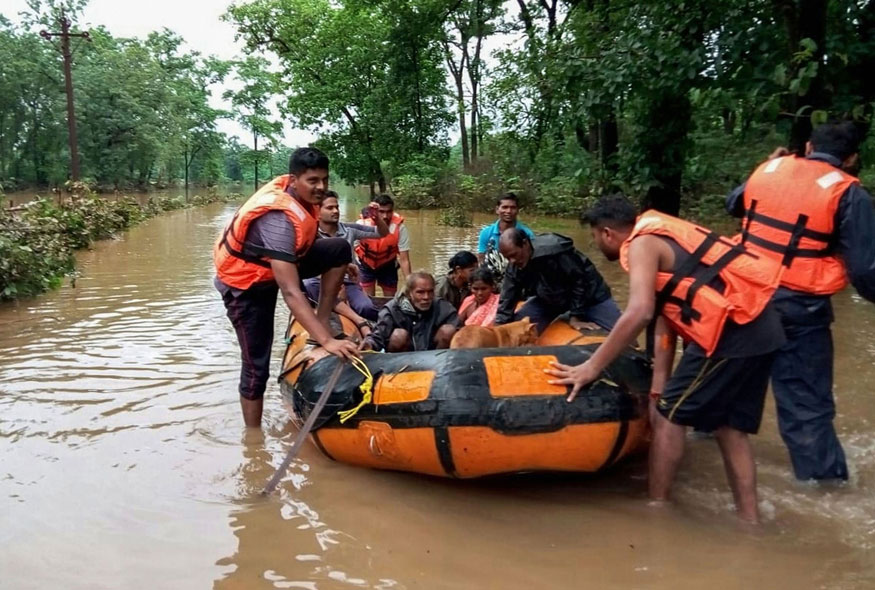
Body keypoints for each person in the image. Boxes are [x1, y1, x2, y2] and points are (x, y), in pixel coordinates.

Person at [546, 195, 785, 523]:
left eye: (595, 238)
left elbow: (640, 311)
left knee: (672, 419)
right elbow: (665, 320)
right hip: (762, 327)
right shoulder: (664, 233)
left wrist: (591, 366)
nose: (598, 245)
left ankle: (657, 509)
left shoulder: (642, 242)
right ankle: (750, 521)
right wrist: (659, 387)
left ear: (606, 233)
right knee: (729, 428)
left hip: (731, 335)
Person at [726, 121, 875, 481]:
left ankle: (704, 448)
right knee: (805, 404)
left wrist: (766, 167)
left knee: (728, 383)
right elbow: (865, 270)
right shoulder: (850, 194)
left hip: (740, 293)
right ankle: (824, 487)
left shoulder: (769, 169)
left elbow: (734, 204)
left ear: (808, 147)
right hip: (798, 308)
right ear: (852, 158)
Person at [214, 147, 360, 428]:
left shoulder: (303, 200)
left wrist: (338, 261)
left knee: (340, 248)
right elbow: (291, 292)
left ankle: (320, 325)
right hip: (247, 284)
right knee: (257, 364)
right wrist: (330, 342)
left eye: (324, 180)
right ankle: (253, 438)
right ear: (294, 180)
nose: (320, 188)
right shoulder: (278, 220)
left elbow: (307, 237)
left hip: (274, 264)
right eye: (313, 181)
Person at [495, 228, 621, 333]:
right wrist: (499, 328)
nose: (512, 261)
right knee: (517, 330)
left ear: (525, 244)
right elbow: (507, 297)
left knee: (624, 335)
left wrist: (576, 316)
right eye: (508, 258)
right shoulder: (514, 266)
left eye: (514, 255)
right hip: (549, 299)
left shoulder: (556, 252)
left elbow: (580, 281)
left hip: (591, 296)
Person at [303, 191, 388, 321]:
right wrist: (336, 288)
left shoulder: (349, 229)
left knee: (366, 307)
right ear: (317, 211)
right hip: (319, 283)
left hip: (348, 283)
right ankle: (356, 319)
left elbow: (382, 233)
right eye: (330, 208)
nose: (335, 211)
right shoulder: (309, 233)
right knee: (308, 284)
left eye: (336, 207)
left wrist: (377, 218)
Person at [362, 272, 458, 352]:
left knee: (448, 330)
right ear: (409, 293)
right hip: (404, 358)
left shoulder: (441, 306)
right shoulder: (392, 309)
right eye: (420, 292)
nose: (426, 297)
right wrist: (369, 344)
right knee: (399, 335)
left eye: (430, 292)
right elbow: (379, 335)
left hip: (435, 356)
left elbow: (458, 328)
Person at [355, 193, 411, 297]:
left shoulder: (400, 228)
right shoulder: (361, 224)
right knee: (368, 300)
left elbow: (404, 259)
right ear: (375, 211)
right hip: (366, 264)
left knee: (389, 299)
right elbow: (353, 246)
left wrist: (410, 283)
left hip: (388, 265)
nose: (385, 216)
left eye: (389, 212)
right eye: (381, 212)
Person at [477, 192, 535, 263]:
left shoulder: (527, 234)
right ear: (497, 209)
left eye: (513, 208)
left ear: (517, 210)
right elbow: (481, 259)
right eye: (505, 207)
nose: (509, 211)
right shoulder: (486, 233)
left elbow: (530, 259)